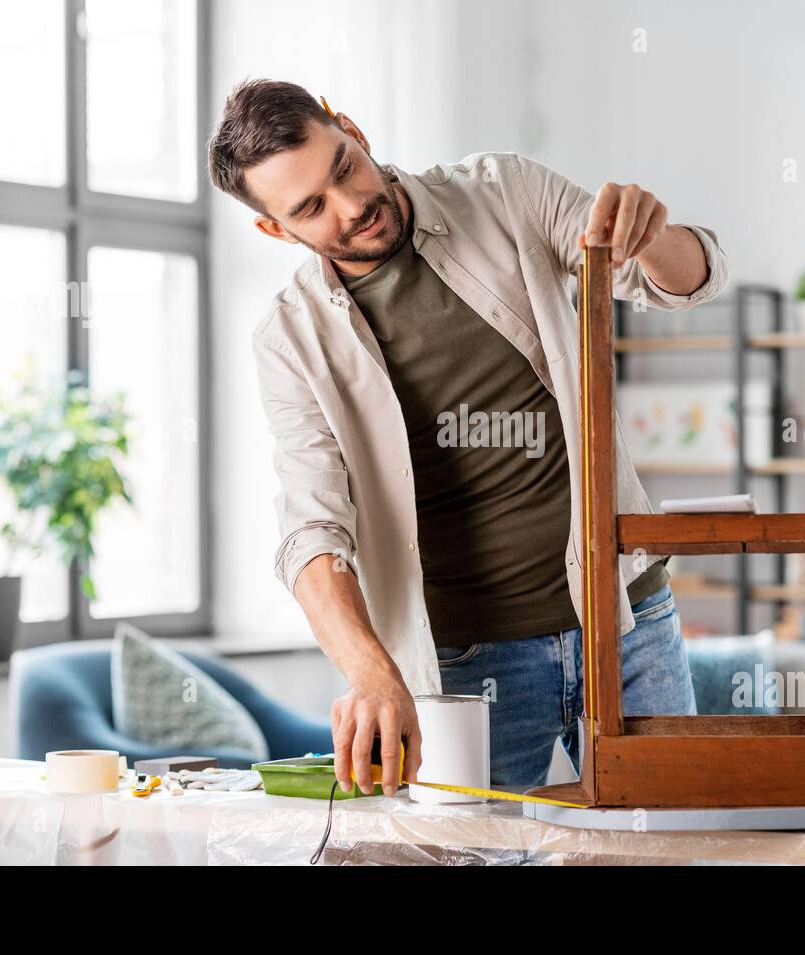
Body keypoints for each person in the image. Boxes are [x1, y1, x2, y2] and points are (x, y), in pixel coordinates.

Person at [207, 79, 730, 797]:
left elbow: (683, 281)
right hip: (466, 664)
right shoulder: (291, 341)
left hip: (625, 615)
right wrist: (371, 670)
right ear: (275, 230)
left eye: (342, 167)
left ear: (351, 128)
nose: (352, 205)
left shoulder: (504, 192)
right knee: (469, 855)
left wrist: (654, 234)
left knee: (672, 842)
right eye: (310, 208)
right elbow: (311, 531)